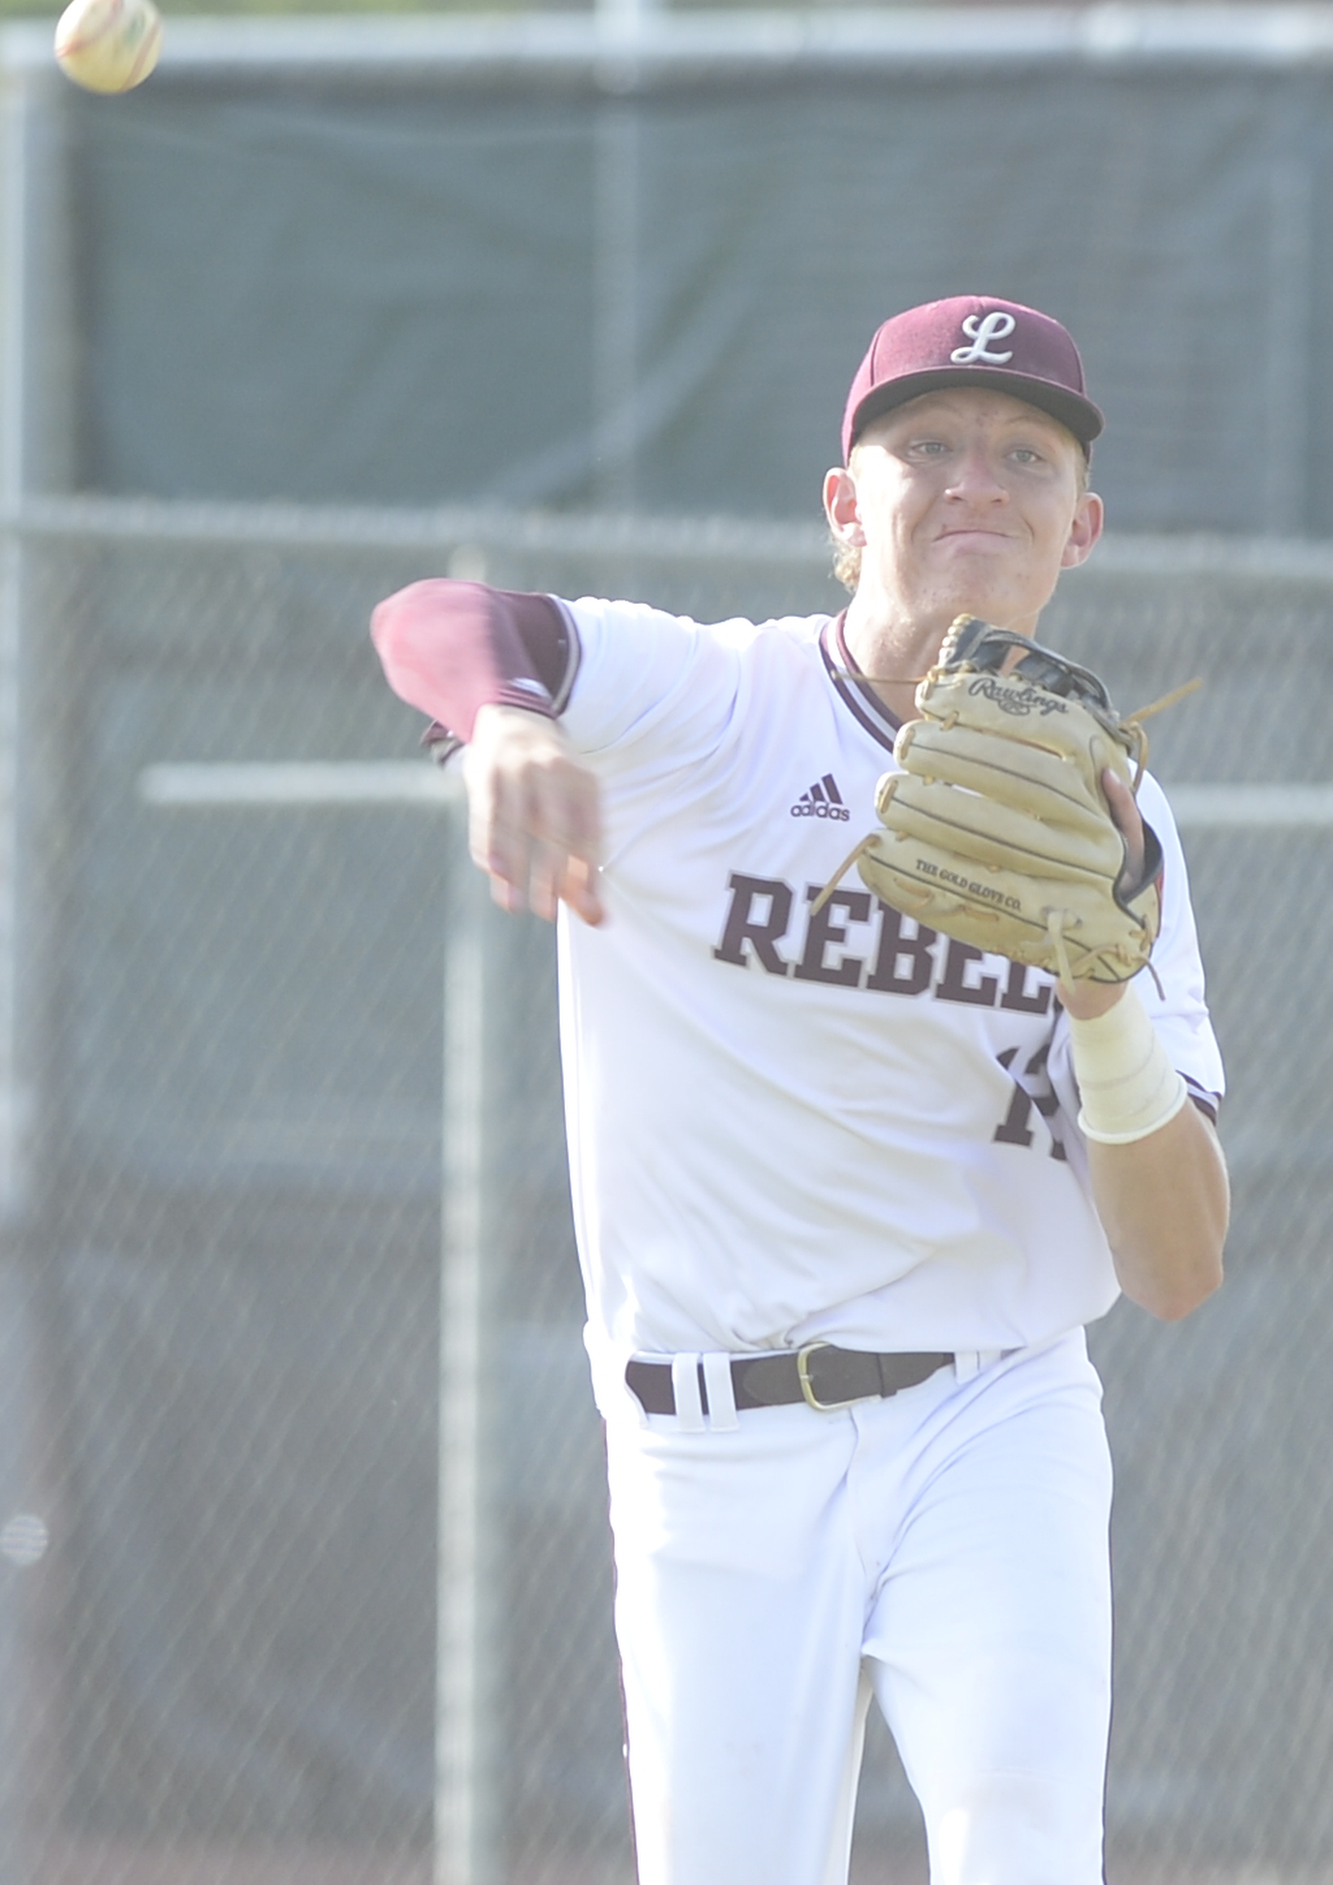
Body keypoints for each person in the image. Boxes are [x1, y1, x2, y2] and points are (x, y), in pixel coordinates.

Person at [371, 295, 1228, 1885]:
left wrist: (1100, 986)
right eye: (925, 447)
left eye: (1024, 455)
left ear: (1079, 523)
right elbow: (440, 617)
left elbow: (1174, 1270)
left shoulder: (1114, 818)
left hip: (990, 1408)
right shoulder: (708, 703)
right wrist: (499, 721)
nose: (976, 480)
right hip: (705, 1433)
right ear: (845, 502)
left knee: (1026, 1848)